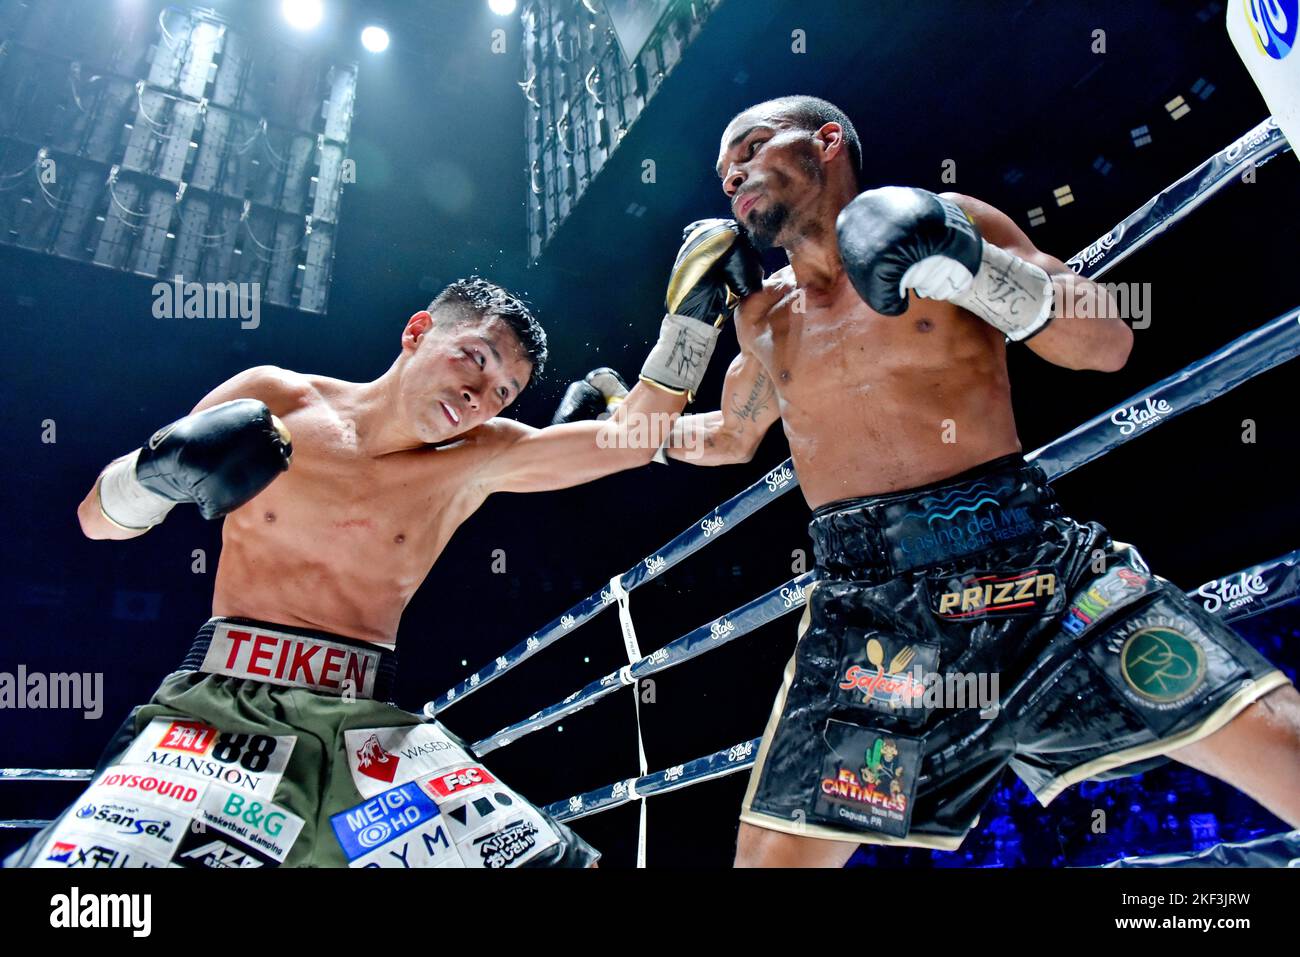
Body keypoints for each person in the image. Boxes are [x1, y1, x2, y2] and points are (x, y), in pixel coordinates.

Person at [666, 95, 1300, 867]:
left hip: (1032, 569)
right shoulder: (762, 316)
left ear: (826, 141)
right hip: (875, 623)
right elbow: (727, 438)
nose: (732, 173)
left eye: (752, 147)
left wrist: (971, 265)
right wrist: (641, 401)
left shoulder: (951, 218)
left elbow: (1105, 341)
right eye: (723, 170)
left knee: (1276, 735)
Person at [7, 223, 762, 869]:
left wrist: (692, 319)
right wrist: (152, 476)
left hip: (367, 732)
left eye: (503, 391)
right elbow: (97, 520)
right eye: (475, 358)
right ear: (417, 332)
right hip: (217, 710)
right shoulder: (277, 396)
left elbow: (629, 441)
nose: (481, 395)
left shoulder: (480, 457)